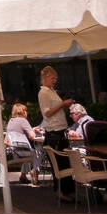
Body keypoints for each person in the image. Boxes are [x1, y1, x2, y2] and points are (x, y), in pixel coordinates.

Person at [37, 65, 76, 202]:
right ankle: (60, 191)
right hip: (54, 134)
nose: (55, 80)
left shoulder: (51, 91)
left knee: (64, 163)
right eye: (53, 78)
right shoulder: (44, 93)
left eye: (56, 78)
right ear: (46, 77)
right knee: (60, 164)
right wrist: (63, 104)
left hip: (59, 131)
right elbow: (47, 113)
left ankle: (65, 191)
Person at [5, 103, 41, 186]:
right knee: (38, 153)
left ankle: (23, 176)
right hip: (20, 152)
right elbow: (32, 136)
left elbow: (18, 132)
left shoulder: (11, 121)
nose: (27, 113)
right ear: (23, 112)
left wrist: (31, 129)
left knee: (29, 151)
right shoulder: (23, 120)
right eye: (26, 110)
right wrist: (34, 132)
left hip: (11, 150)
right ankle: (35, 171)